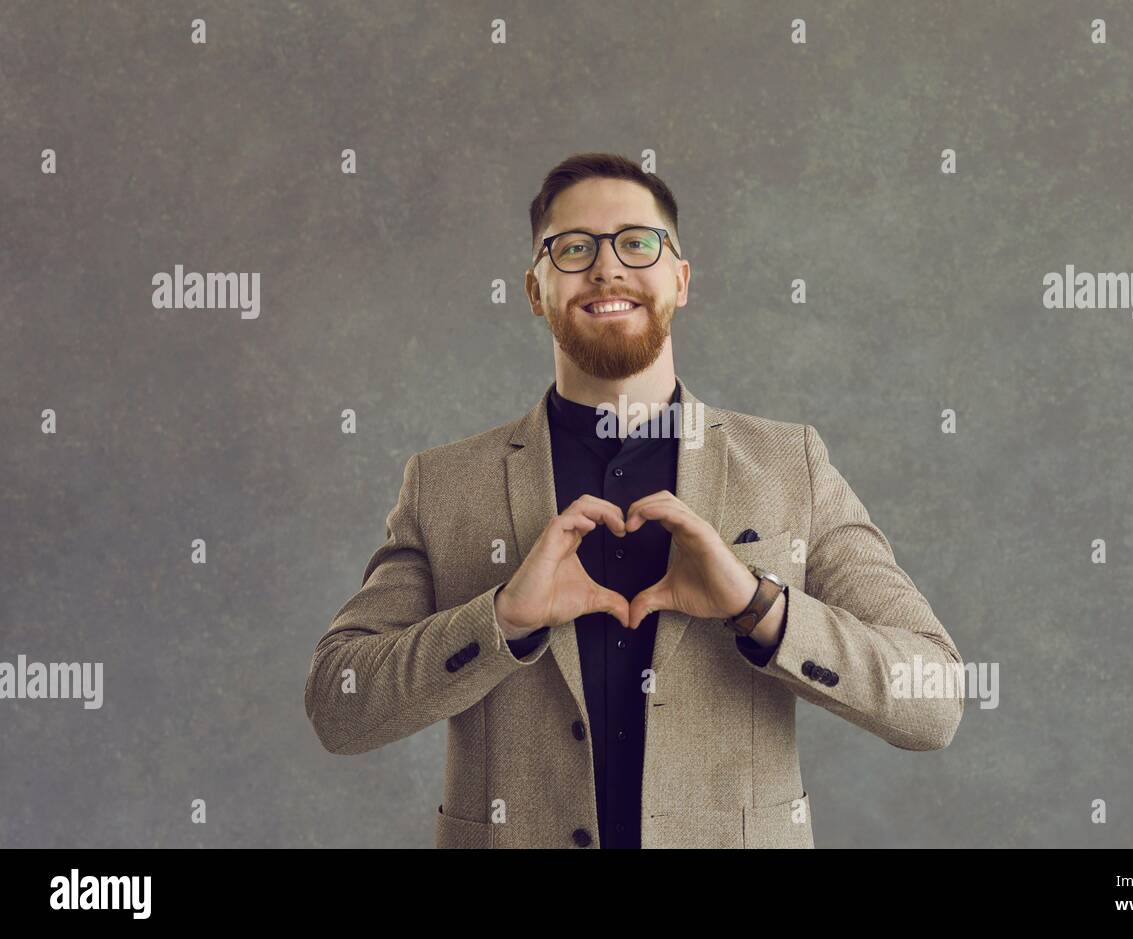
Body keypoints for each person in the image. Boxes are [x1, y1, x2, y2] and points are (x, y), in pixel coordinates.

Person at [304, 152, 964, 849]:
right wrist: (500, 620)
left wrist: (758, 606)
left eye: (637, 243)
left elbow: (935, 701)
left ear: (680, 279)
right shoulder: (445, 484)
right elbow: (337, 705)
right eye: (573, 248)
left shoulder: (789, 465)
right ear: (534, 289)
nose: (607, 268)